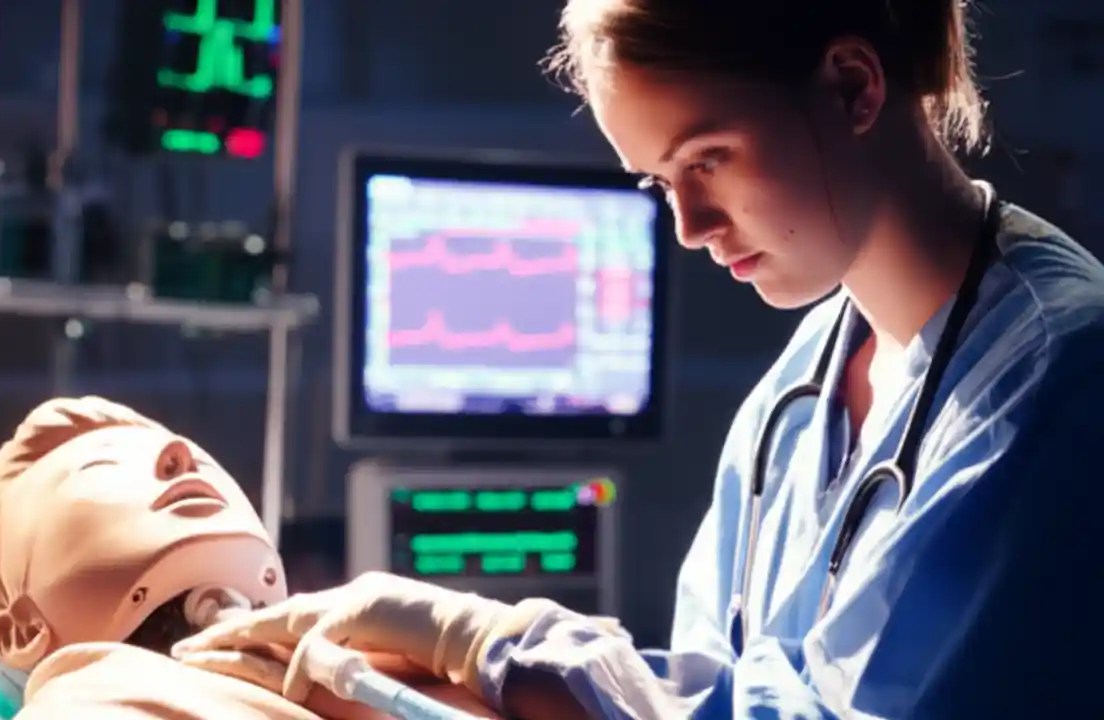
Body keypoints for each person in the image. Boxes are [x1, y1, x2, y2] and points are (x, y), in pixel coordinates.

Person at [173, 0, 1104, 717]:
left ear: (856, 85)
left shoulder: (1061, 379)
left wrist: (492, 641)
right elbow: (708, 689)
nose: (690, 228)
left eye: (709, 159)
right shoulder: (800, 395)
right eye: (661, 183)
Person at [0, 396, 497, 720]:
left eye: (193, 457)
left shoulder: (417, 665)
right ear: (21, 628)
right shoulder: (98, 701)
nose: (179, 455)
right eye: (104, 468)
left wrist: (492, 641)